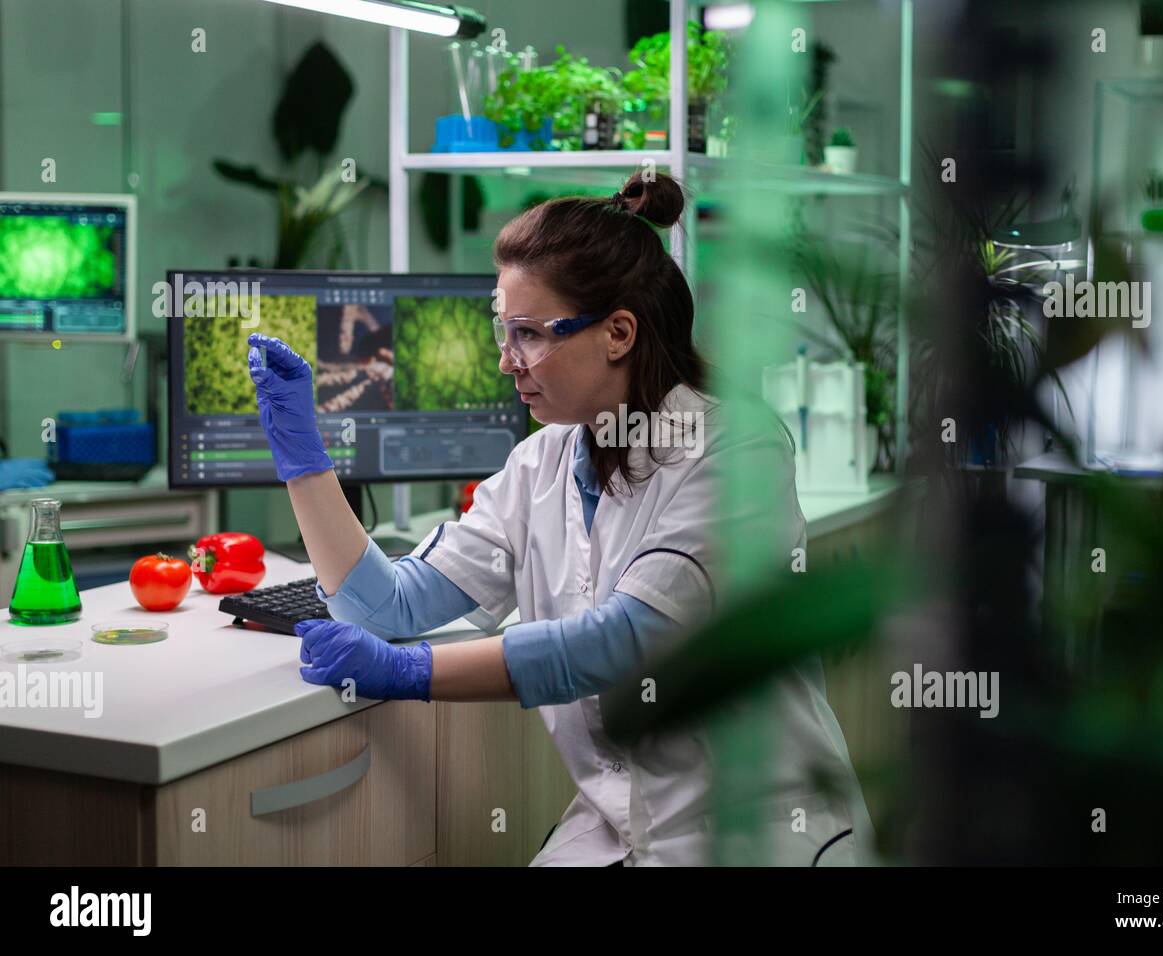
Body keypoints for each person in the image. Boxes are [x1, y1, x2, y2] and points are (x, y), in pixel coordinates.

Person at [246, 170, 874, 866]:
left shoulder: (734, 450)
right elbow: (385, 606)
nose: (505, 360)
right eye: (502, 330)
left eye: (527, 334)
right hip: (618, 830)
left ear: (618, 333)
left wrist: (410, 671)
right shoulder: (539, 465)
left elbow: (625, 640)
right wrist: (302, 457)